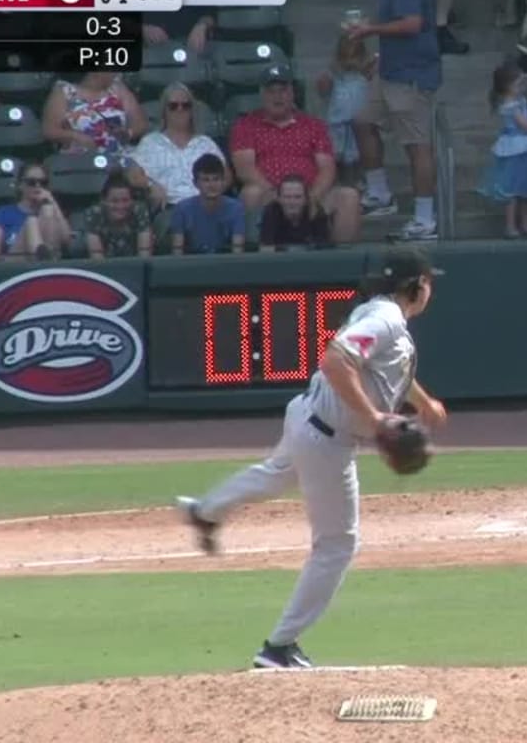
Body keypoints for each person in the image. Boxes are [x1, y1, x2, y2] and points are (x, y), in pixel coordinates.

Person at [175, 248, 449, 670]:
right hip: (328, 439)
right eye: (428, 282)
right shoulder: (386, 319)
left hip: (307, 417)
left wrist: (423, 402)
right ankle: (279, 647)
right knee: (337, 544)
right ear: (416, 286)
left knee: (275, 474)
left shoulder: (378, 314)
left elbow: (382, 369)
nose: (431, 289)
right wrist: (376, 420)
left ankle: (205, 512)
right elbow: (336, 361)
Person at [349, 0, 444, 240]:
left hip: (411, 74)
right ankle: (379, 194)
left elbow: (412, 23)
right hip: (391, 68)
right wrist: (381, 54)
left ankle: (425, 220)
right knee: (363, 120)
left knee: (417, 147)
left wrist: (369, 30)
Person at [229, 64, 362, 244]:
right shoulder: (245, 126)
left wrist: (311, 196)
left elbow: (327, 168)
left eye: (283, 91)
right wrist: (279, 195)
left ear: (292, 93)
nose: (277, 97)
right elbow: (245, 169)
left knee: (348, 197)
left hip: (310, 194)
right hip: (269, 194)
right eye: (271, 91)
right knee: (250, 193)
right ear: (262, 94)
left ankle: (340, 257)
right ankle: (257, 254)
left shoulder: (313, 125)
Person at [481, 57, 527, 238]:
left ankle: (526, 224)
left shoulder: (520, 99)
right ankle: (511, 226)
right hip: (515, 149)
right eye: (518, 84)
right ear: (507, 86)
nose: (523, 86)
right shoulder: (510, 105)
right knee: (512, 190)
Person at [128, 82, 226, 210]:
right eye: (173, 106)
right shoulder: (150, 142)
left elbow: (226, 175)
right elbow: (132, 174)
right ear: (164, 111)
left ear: (192, 111)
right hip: (168, 207)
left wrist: (211, 193)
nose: (180, 110)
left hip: (203, 206)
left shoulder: (205, 143)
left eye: (186, 106)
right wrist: (150, 185)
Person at [314, 33, 374, 189]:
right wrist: (323, 82)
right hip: (337, 125)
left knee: (359, 157)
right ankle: (337, 185)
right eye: (346, 55)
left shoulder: (366, 75)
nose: (350, 61)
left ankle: (359, 185)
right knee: (336, 158)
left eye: (354, 55)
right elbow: (322, 92)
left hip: (359, 126)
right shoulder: (333, 75)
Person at [42, 71, 148, 158]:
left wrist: (128, 133)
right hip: (79, 156)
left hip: (119, 153)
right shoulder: (64, 91)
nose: (116, 73)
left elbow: (141, 123)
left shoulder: (117, 88)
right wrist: (76, 137)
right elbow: (49, 130)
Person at [0, 162, 71, 260]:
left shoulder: (51, 210)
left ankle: (45, 261)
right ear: (20, 185)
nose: (38, 186)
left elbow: (67, 241)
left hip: (49, 260)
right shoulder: (3, 213)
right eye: (31, 182)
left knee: (48, 210)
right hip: (15, 263)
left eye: (43, 183)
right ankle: (42, 261)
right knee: (31, 222)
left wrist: (52, 201)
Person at [169, 154, 245, 255]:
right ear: (195, 183)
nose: (212, 185)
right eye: (206, 180)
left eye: (216, 179)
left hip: (225, 262)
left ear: (223, 181)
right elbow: (177, 252)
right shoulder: (182, 209)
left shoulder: (236, 208)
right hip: (192, 262)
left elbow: (237, 252)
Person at [83, 172, 153, 258]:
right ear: (103, 201)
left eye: (125, 200)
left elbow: (144, 252)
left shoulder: (139, 210)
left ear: (132, 200)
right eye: (114, 201)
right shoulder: (94, 214)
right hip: (104, 264)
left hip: (135, 262)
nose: (120, 206)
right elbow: (96, 254)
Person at [259, 175, 332, 251]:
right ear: (279, 199)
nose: (292, 202)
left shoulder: (316, 212)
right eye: (287, 197)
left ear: (306, 199)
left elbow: (323, 249)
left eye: (297, 197)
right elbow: (265, 248)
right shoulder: (271, 212)